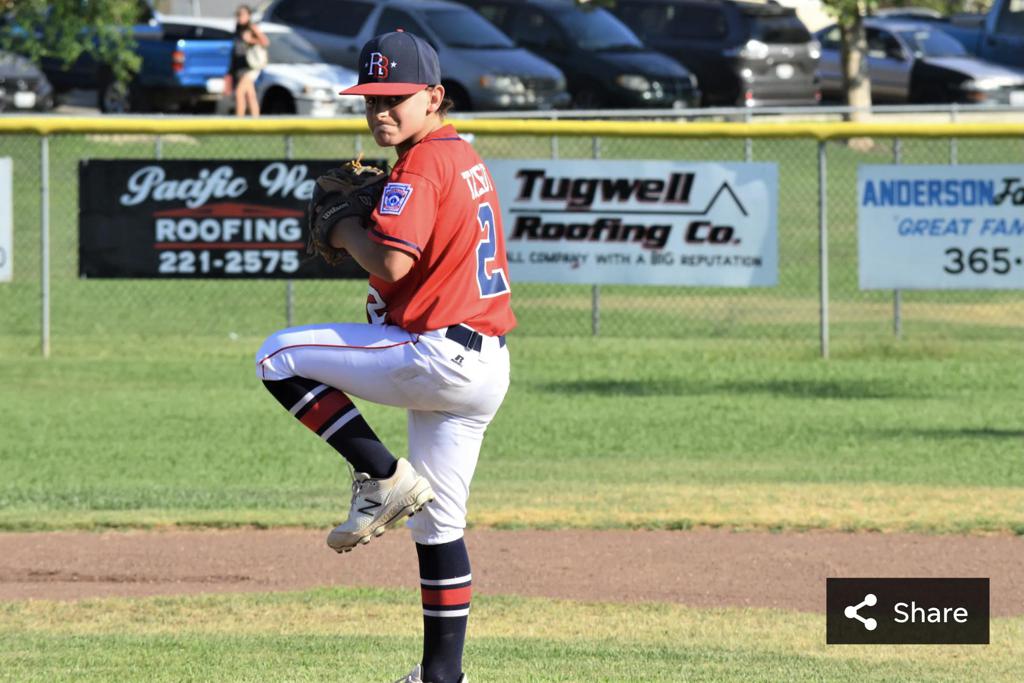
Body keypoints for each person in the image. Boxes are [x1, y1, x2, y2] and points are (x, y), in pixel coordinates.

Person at [255, 31, 515, 683]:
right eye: (371, 100)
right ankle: (440, 676)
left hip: (438, 353)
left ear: (434, 97)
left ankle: (379, 473)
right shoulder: (460, 155)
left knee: (276, 357)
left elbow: (394, 259)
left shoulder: (423, 162)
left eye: (396, 98)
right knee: (438, 525)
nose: (380, 113)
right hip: (483, 366)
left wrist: (344, 227)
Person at [228, 4, 268, 117]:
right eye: (238, 15)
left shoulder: (252, 28)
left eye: (242, 14)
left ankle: (239, 123)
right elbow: (235, 52)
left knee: (240, 93)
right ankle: (256, 120)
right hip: (239, 67)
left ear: (249, 16)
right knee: (250, 95)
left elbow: (265, 42)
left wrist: (251, 40)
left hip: (250, 66)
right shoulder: (237, 30)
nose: (240, 17)